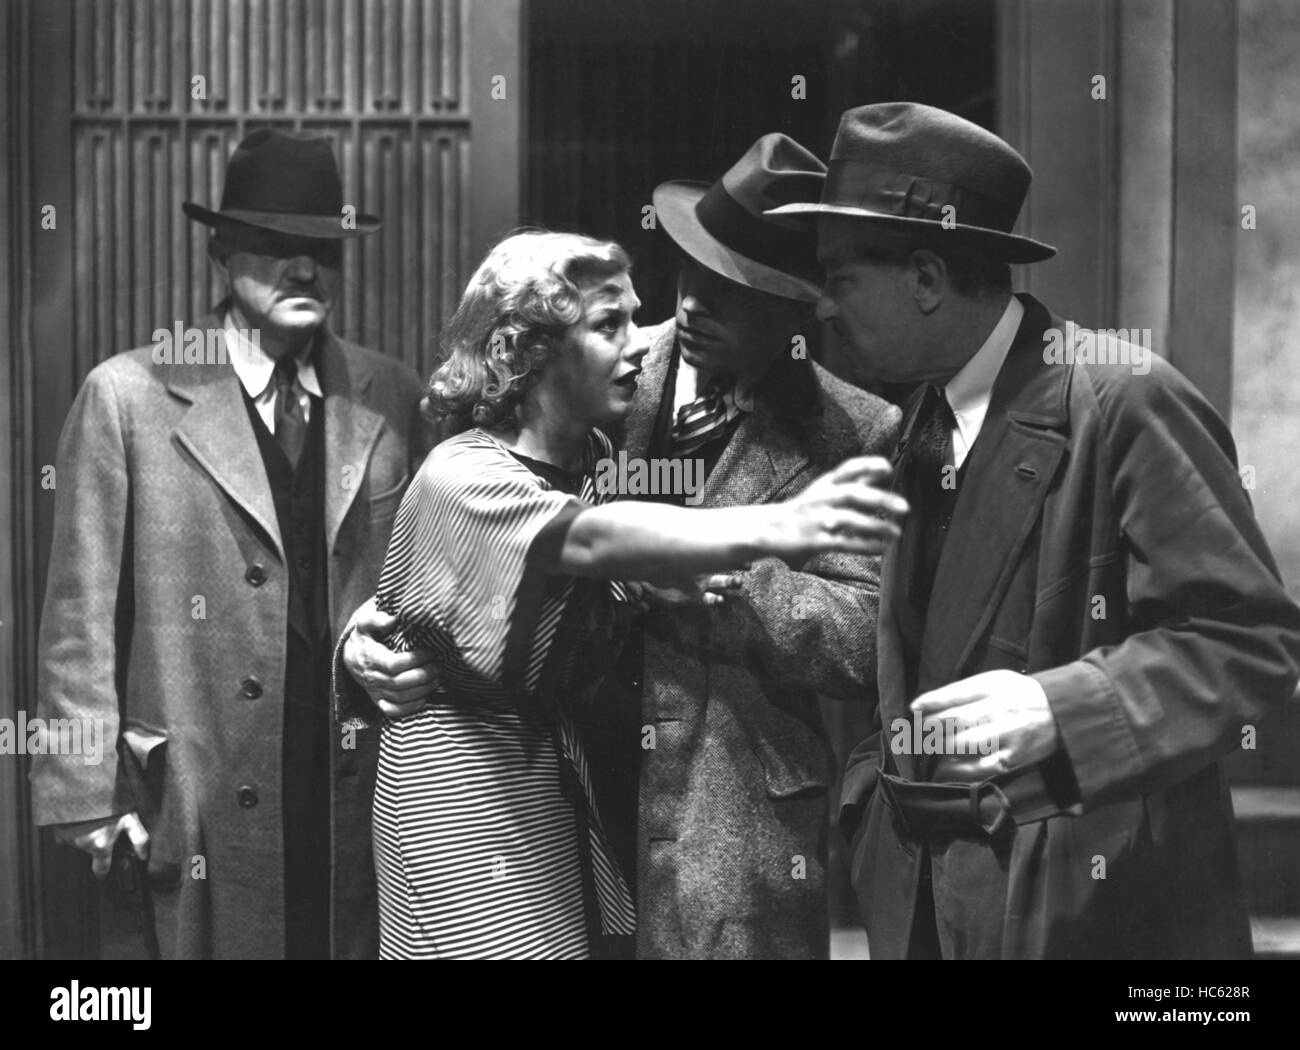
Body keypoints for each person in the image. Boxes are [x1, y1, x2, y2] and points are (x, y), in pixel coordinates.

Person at [770, 101, 1300, 958]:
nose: (822, 308)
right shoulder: (919, 426)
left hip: (1083, 909)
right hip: (931, 906)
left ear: (928, 277)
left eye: (840, 278)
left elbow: (1255, 642)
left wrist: (1062, 705)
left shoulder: (1124, 398)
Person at [333, 229, 907, 960]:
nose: (644, 338)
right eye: (612, 324)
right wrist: (777, 525)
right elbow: (590, 541)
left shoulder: (596, 453)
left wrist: (703, 584)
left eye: (633, 318)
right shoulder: (468, 469)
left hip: (597, 800)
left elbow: (859, 635)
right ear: (524, 350)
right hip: (463, 798)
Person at [29, 129, 429, 959]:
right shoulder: (130, 396)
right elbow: (79, 611)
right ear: (220, 252)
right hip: (197, 779)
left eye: (322, 246)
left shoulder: (389, 394)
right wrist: (81, 794)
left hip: (350, 780)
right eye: (277, 246)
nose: (306, 269)